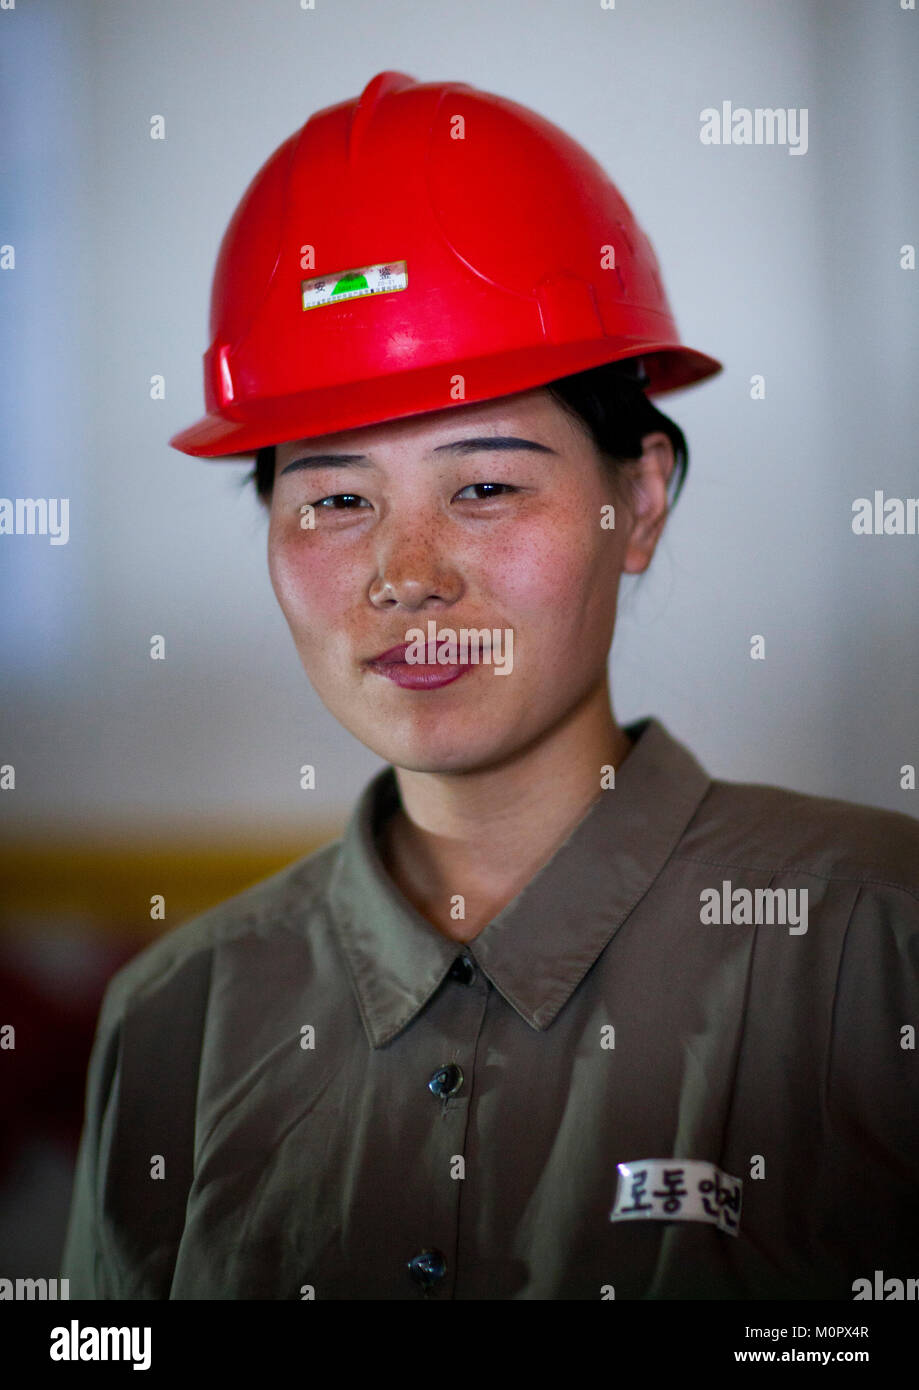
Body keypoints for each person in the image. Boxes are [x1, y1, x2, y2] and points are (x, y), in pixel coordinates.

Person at [61, 71, 919, 1301]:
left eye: (485, 486)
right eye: (336, 500)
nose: (405, 577)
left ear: (641, 500)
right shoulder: (175, 1022)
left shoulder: (873, 945)